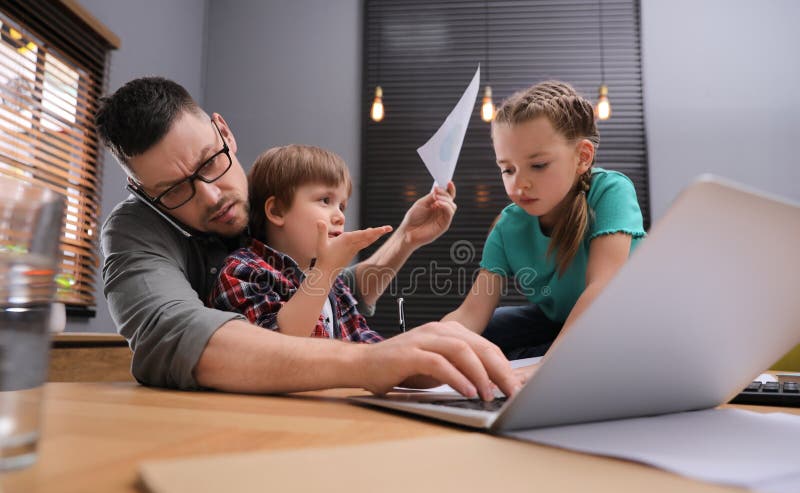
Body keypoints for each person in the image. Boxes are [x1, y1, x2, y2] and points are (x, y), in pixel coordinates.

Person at [95, 76, 521, 401]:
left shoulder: (263, 199)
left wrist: (405, 238)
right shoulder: (135, 231)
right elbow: (178, 336)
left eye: (211, 162)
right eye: (174, 190)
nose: (211, 195)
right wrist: (373, 361)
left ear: (224, 132)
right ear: (145, 194)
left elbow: (333, 292)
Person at [446, 80, 646, 356]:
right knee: (490, 330)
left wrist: (546, 367)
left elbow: (603, 286)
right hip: (559, 324)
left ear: (583, 157)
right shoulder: (508, 226)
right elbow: (471, 314)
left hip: (627, 322)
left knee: (537, 353)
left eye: (538, 166)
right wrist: (420, 350)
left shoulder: (611, 190)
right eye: (507, 170)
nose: (519, 184)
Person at [209, 144, 387, 343]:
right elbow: (277, 350)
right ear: (277, 211)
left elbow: (362, 341)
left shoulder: (334, 284)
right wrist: (325, 271)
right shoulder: (243, 272)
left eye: (342, 206)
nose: (340, 217)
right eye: (325, 200)